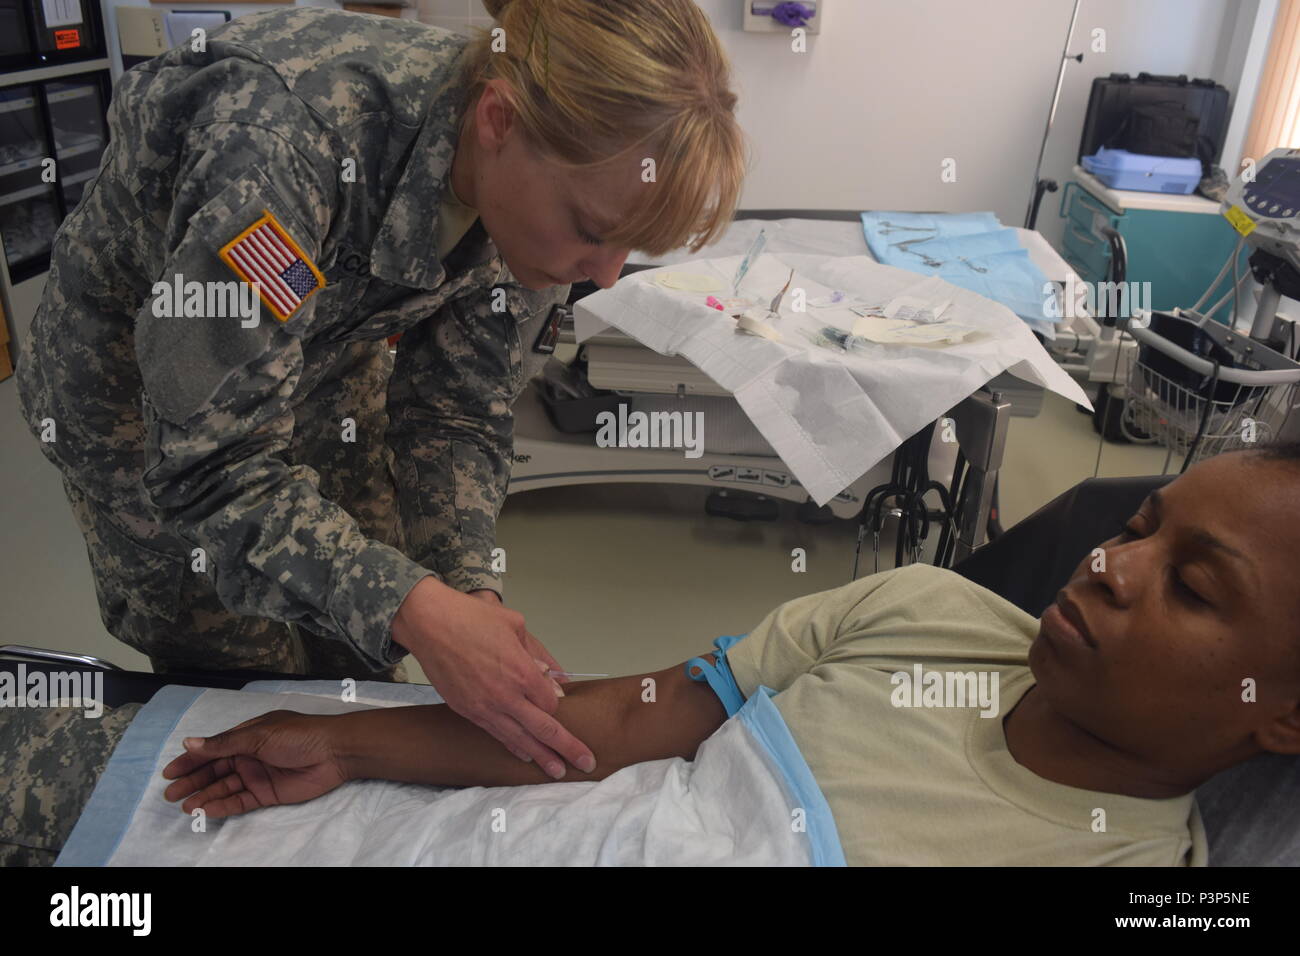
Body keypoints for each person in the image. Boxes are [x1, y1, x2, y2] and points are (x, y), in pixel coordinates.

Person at [13, 0, 746, 778]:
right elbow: (209, 464)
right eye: (594, 231)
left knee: (363, 664)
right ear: (499, 121)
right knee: (239, 676)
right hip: (139, 403)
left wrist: (466, 598)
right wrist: (414, 610)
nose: (603, 274)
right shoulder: (280, 146)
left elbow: (456, 413)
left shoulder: (530, 199)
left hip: (330, 356)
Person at [5, 445, 1298, 866]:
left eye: (1189, 585)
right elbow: (632, 719)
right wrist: (347, 739)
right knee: (115, 781)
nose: (1109, 563)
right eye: (1138, 524)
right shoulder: (921, 612)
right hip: (527, 824)